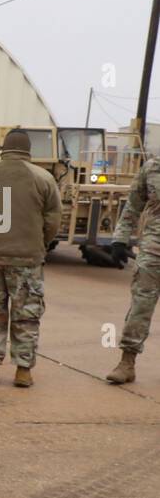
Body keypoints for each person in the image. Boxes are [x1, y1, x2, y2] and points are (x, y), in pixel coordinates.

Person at [0, 129, 60, 387]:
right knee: (26, 314)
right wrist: (40, 244)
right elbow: (53, 220)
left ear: (3, 149)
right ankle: (23, 371)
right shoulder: (44, 178)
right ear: (29, 150)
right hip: (27, 259)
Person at [105, 155, 160, 383]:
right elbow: (133, 205)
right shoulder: (153, 166)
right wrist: (120, 239)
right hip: (153, 248)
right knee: (141, 304)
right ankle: (127, 362)